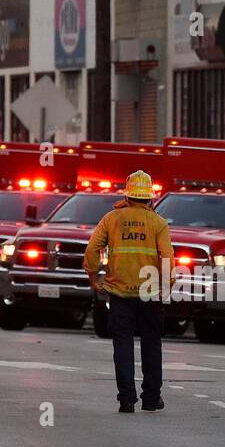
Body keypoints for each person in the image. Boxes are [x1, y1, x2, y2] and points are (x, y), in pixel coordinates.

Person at [83, 169, 173, 414]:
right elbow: (167, 258)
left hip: (120, 292)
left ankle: (126, 399)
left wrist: (93, 276)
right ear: (150, 197)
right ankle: (152, 398)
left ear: (128, 194)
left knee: (122, 344)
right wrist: (167, 287)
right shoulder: (158, 222)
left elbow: (92, 249)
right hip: (150, 293)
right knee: (151, 345)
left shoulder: (112, 218)